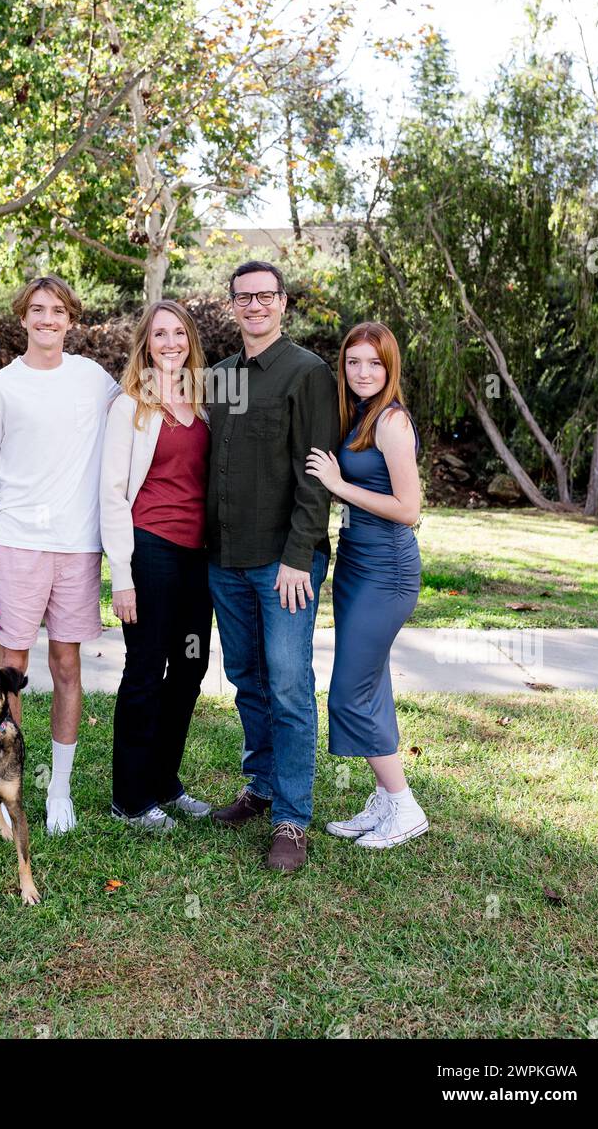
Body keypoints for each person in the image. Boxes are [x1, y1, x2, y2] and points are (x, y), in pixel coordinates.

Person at [0, 274, 119, 836]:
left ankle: (60, 790)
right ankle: (8, 791)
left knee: (67, 666)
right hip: (14, 543)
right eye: (37, 309)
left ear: (71, 321)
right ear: (23, 317)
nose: (48, 319)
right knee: (13, 669)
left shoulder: (96, 381)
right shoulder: (0, 389)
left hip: (77, 546)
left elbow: (142, 417)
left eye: (58, 311)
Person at [206, 261, 339, 872]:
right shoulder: (222, 377)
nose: (254, 305)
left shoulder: (308, 372)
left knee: (288, 686)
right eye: (244, 297)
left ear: (283, 302)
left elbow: (318, 474)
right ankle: (259, 787)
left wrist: (299, 557)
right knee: (247, 679)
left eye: (265, 296)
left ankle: (292, 818)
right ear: (232, 305)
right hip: (226, 560)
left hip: (284, 564)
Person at [306, 320, 428, 849]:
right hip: (357, 565)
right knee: (372, 684)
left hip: (389, 572)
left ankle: (404, 806)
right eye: (353, 362)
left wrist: (338, 486)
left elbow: (409, 509)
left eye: (373, 363)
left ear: (389, 367)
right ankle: (384, 796)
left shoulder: (391, 422)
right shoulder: (358, 414)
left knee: (350, 694)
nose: (362, 372)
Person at [100, 301, 213, 830]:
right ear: (146, 344)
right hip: (150, 551)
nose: (170, 342)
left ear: (190, 339)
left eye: (179, 333)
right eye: (159, 334)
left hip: (199, 557)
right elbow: (112, 493)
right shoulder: (130, 407)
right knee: (146, 670)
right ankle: (129, 797)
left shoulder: (204, 402)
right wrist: (121, 577)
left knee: (190, 669)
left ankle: (165, 783)